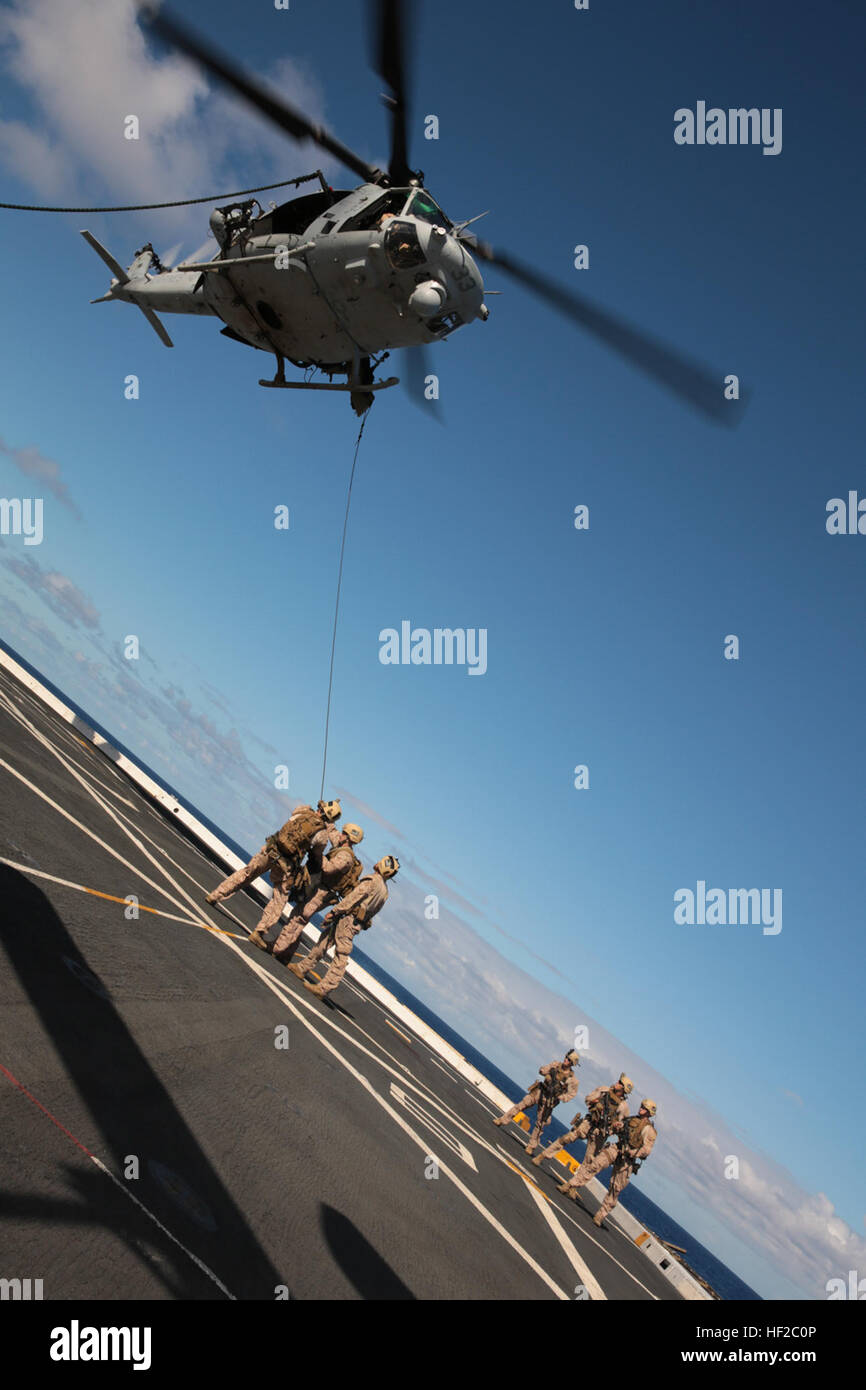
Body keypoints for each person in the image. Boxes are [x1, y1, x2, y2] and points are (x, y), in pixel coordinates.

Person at [206, 800, 341, 941]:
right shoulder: (323, 835)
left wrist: (317, 806)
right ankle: (259, 932)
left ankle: (215, 895)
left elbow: (296, 811)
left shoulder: (303, 811)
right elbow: (317, 855)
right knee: (279, 898)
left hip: (270, 851)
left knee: (247, 873)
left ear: (321, 807)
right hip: (287, 865)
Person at [288, 855, 399, 999]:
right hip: (355, 922)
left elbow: (353, 898)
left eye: (381, 861)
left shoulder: (372, 881)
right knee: (324, 941)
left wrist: (335, 911)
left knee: (341, 954)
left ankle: (324, 988)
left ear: (384, 866)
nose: (377, 862)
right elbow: (374, 911)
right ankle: (302, 968)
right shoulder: (384, 891)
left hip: (348, 919)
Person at [267, 824, 364, 963]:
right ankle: (286, 952)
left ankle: (277, 948)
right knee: (298, 915)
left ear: (348, 838)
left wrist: (319, 854)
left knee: (299, 918)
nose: (340, 835)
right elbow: (332, 832)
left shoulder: (346, 857)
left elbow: (328, 869)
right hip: (318, 888)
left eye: (344, 833)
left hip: (323, 893)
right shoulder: (341, 846)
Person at [559, 1099, 657, 1227]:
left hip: (628, 1159)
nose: (641, 1108)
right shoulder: (633, 1119)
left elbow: (646, 1150)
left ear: (649, 1113)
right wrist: (617, 1127)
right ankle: (570, 1185)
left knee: (615, 1189)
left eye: (645, 1108)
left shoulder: (649, 1130)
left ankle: (601, 1215)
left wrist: (633, 1153)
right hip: (617, 1148)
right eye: (642, 1106)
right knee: (595, 1165)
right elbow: (622, 1127)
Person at [531, 1072, 632, 1168]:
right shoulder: (604, 1091)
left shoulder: (623, 1107)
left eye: (620, 1083)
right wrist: (595, 1102)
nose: (616, 1083)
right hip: (589, 1122)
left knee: (589, 1160)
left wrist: (614, 1127)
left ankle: (573, 1185)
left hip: (600, 1133)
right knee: (566, 1138)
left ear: (623, 1089)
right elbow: (588, 1099)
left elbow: (622, 1125)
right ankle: (542, 1156)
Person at [494, 1052, 581, 1154]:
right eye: (566, 1057)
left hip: (549, 1100)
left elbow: (571, 1094)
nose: (566, 1060)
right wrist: (546, 1073)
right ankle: (502, 1120)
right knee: (520, 1105)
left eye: (569, 1059)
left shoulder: (572, 1080)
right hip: (539, 1091)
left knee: (540, 1124)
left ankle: (531, 1145)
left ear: (572, 1063)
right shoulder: (556, 1065)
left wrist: (560, 1097)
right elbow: (543, 1070)